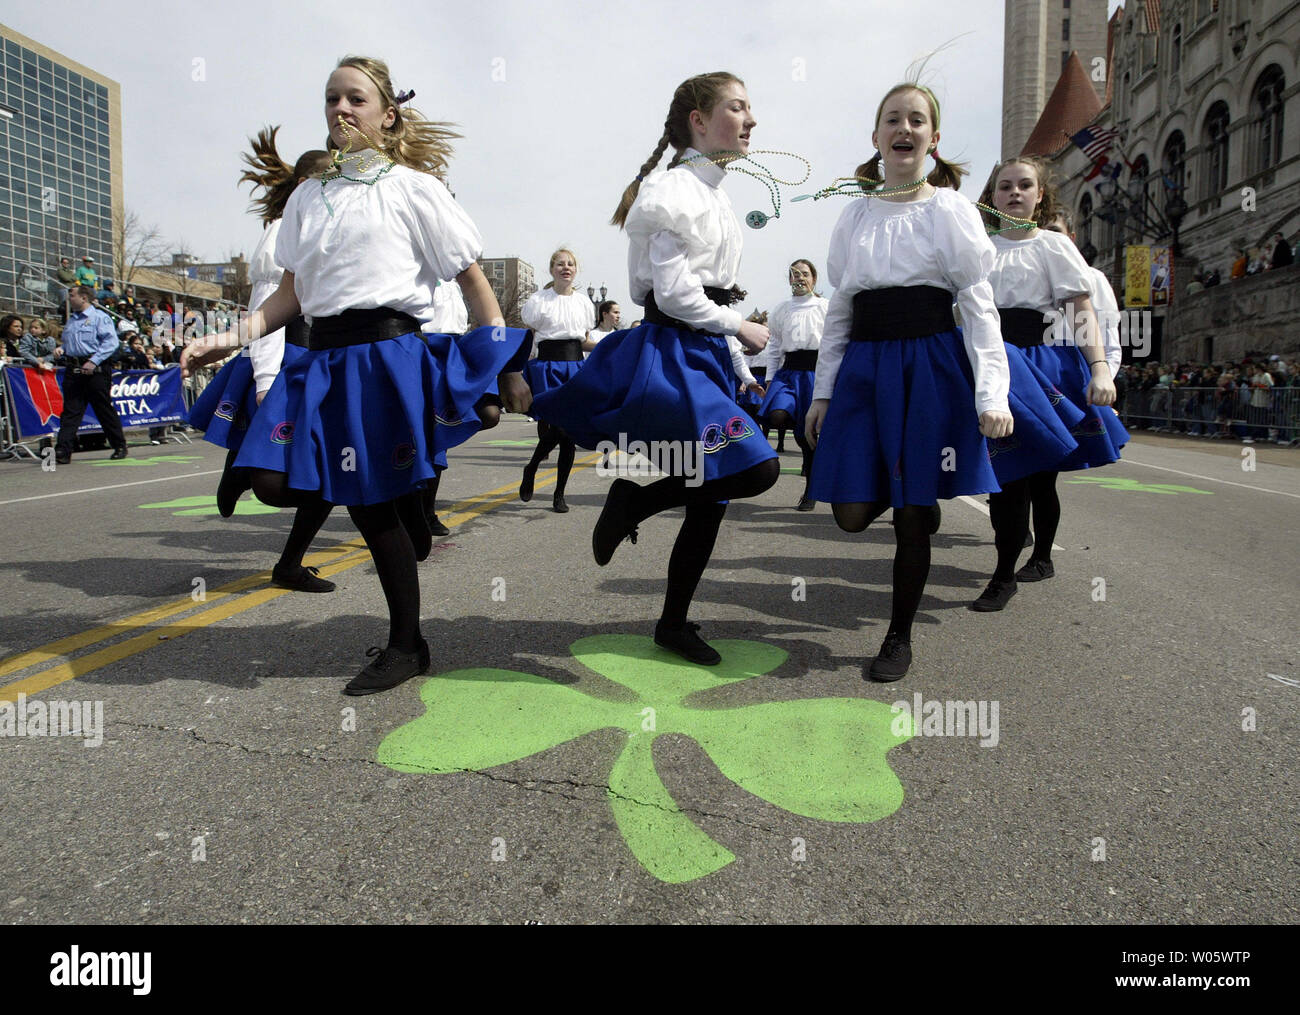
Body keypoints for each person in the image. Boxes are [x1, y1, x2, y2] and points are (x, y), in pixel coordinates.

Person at [181, 56, 531, 695]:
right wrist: (225, 340)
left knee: (372, 512)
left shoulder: (412, 188)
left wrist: (499, 363)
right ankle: (401, 502)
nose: (341, 109)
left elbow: (472, 279)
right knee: (269, 480)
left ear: (387, 115)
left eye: (356, 99)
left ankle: (407, 644)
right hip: (319, 359)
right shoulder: (307, 197)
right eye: (332, 98)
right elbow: (288, 297)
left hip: (385, 356)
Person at [530, 70, 777, 665]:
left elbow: (714, 297)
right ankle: (632, 502)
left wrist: (738, 361)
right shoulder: (672, 192)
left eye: (750, 109)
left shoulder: (713, 194)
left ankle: (672, 623)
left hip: (706, 356)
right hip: (675, 355)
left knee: (709, 495)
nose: (750, 120)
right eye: (737, 108)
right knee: (754, 471)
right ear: (699, 120)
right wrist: (738, 328)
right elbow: (672, 295)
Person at [804, 80, 1013, 680]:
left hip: (929, 364)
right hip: (866, 366)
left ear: (934, 140)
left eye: (917, 120)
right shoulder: (853, 215)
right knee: (847, 510)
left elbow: (978, 307)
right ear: (875, 138)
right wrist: (823, 390)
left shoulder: (950, 210)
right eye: (892, 119)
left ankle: (898, 637)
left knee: (911, 515)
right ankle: (916, 501)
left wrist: (991, 394)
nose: (904, 128)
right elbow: (840, 308)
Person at [970, 158, 1121, 611]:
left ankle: (1033, 560)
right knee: (1004, 477)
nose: (1014, 192)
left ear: (1040, 196)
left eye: (1024, 185)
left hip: (1038, 365)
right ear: (993, 197)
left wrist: (1099, 369)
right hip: (989, 361)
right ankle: (1003, 571)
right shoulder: (979, 247)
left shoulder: (1054, 246)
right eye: (1004, 187)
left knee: (1039, 479)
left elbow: (1081, 312)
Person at [518, 249, 596, 513]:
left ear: (576, 270)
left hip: (574, 366)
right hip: (547, 366)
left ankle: (556, 490)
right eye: (560, 264)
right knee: (561, 428)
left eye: (570, 264)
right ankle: (533, 470)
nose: (566, 268)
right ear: (551, 269)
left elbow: (583, 340)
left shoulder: (584, 303)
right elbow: (530, 337)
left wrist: (612, 349)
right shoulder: (539, 300)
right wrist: (516, 370)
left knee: (568, 432)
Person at [757, 259, 828, 510]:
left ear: (814, 279)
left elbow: (834, 343)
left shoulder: (824, 307)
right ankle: (806, 455)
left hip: (815, 372)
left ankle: (812, 487)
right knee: (776, 416)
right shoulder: (782, 309)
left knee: (809, 432)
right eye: (794, 274)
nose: (800, 278)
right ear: (789, 279)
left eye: (805, 274)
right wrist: (769, 378)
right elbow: (775, 346)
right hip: (788, 373)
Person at [54, 285, 128, 464]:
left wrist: (94, 361)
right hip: (74, 370)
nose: (69, 299)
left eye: (72, 295)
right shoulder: (72, 320)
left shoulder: (99, 318)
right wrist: (62, 349)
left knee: (103, 408)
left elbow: (110, 342)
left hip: (96, 370)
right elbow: (71, 343)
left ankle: (119, 445)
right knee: (71, 411)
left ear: (84, 298)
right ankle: (63, 449)